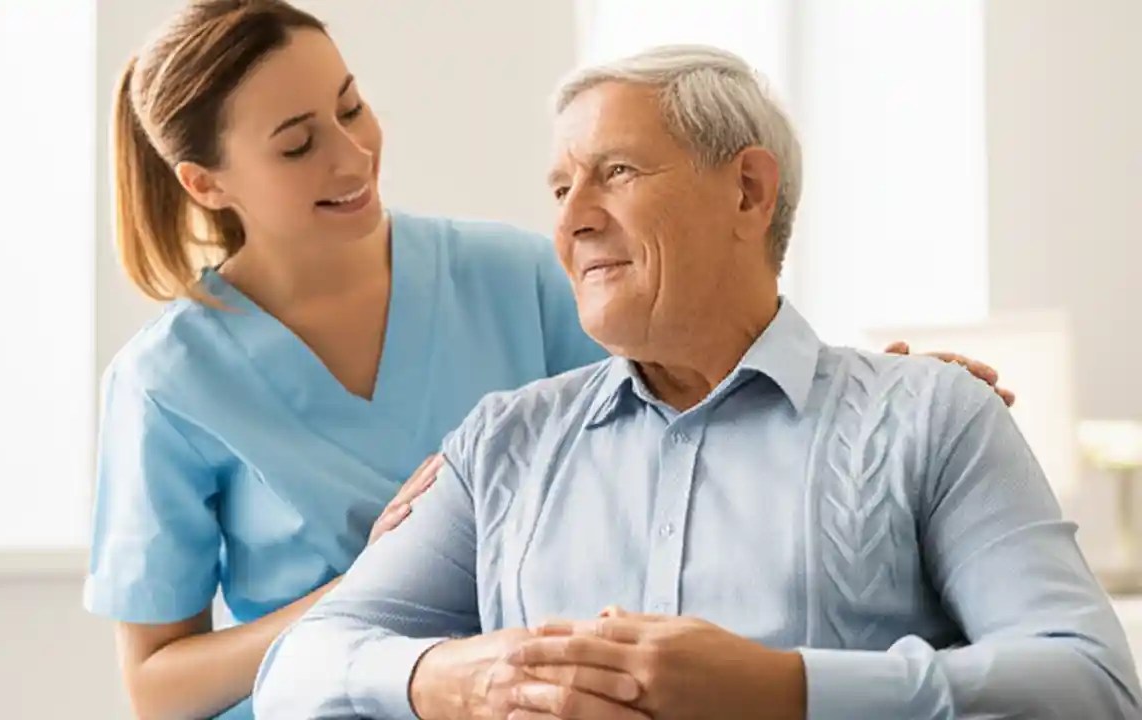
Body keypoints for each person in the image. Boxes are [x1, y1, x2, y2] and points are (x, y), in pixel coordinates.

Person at [84, 3, 1012, 719]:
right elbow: (157, 685)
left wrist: (881, 395)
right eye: (298, 144)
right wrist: (365, 604)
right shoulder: (167, 383)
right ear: (207, 184)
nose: (353, 152)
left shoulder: (514, 273)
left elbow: (693, 394)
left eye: (351, 104)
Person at [251, 44, 1140, 720]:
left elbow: (1090, 679)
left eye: (616, 172)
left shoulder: (933, 415)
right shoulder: (505, 443)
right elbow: (300, 666)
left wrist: (786, 689)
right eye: (559, 188)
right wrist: (447, 677)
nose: (572, 217)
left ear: (749, 190)